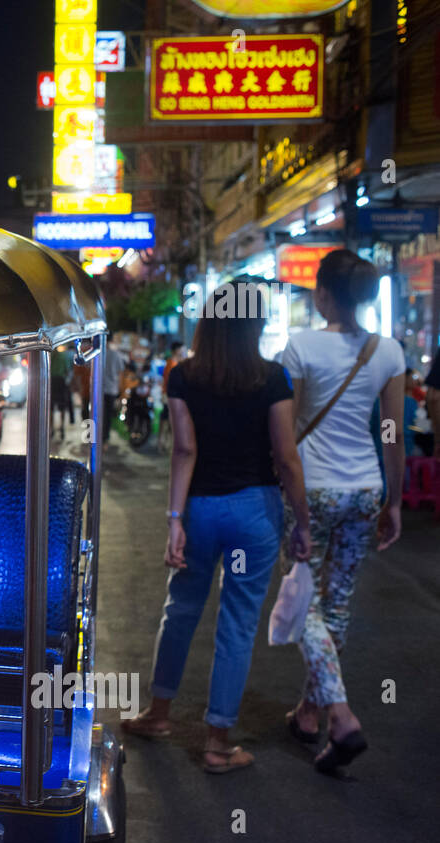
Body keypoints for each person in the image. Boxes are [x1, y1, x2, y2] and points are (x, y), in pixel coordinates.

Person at [122, 281, 312, 773]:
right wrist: (303, 522)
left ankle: (157, 714)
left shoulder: (183, 376)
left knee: (181, 609)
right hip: (254, 512)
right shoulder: (272, 378)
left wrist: (174, 521)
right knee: (236, 624)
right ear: (255, 325)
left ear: (209, 321)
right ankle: (217, 742)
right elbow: (286, 458)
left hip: (201, 510)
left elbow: (185, 451)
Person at [278, 250, 405, 774]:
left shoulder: (301, 346)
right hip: (364, 489)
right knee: (338, 603)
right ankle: (308, 714)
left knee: (300, 603)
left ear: (323, 293)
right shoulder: (390, 351)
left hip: (315, 489)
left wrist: (289, 493)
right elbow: (391, 432)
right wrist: (393, 500)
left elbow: (290, 428)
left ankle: (340, 712)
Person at [157, 341, 186, 453]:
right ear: (177, 350)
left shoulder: (172, 363)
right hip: (169, 396)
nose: (183, 352)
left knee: (166, 420)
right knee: (168, 421)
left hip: (168, 395)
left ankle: (164, 443)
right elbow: (171, 383)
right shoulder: (172, 365)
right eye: (182, 350)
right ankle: (164, 444)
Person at [101, 341, 126, 448]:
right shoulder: (116, 355)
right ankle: (105, 439)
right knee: (107, 416)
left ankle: (95, 439)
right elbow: (121, 373)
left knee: (98, 415)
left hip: (99, 390)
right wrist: (120, 390)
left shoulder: (98, 353)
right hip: (112, 390)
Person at [50, 345, 75, 438]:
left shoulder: (50, 355)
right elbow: (68, 370)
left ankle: (51, 428)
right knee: (62, 406)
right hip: (61, 382)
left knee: (51, 407)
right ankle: (62, 427)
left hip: (52, 382)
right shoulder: (63, 356)